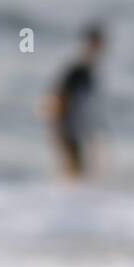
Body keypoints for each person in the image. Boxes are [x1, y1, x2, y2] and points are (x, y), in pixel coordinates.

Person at [44, 24, 106, 177]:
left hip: (76, 129)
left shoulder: (88, 71)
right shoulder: (77, 71)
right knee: (74, 172)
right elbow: (59, 97)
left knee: (76, 172)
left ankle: (67, 198)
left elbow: (86, 106)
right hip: (68, 128)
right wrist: (57, 127)